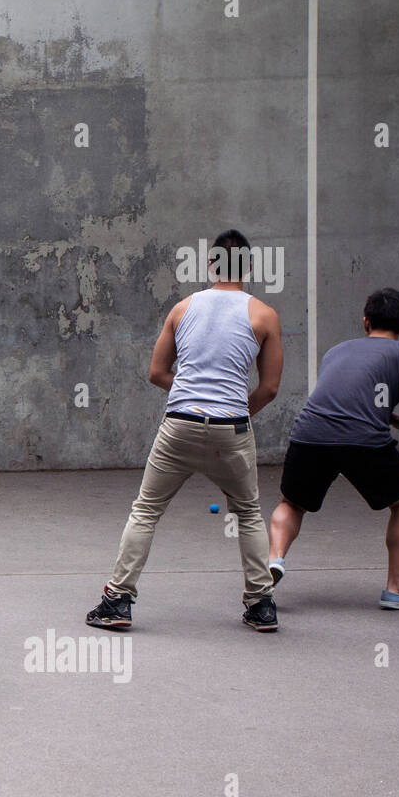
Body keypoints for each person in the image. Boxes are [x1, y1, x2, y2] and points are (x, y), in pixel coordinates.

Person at [86, 229, 284, 632]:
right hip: (232, 430)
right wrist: (234, 410)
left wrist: (194, 396)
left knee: (146, 511)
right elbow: (270, 388)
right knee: (247, 513)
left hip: (179, 425)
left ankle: (118, 601)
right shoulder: (264, 315)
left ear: (211, 264)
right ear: (248, 267)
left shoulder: (182, 308)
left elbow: (157, 372)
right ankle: (261, 605)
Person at [269, 288, 399, 608]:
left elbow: (344, 397)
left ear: (365, 321)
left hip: (309, 433)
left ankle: (273, 561)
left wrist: (391, 417)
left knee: (291, 503)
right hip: (363, 441)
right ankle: (396, 590)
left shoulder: (337, 351)